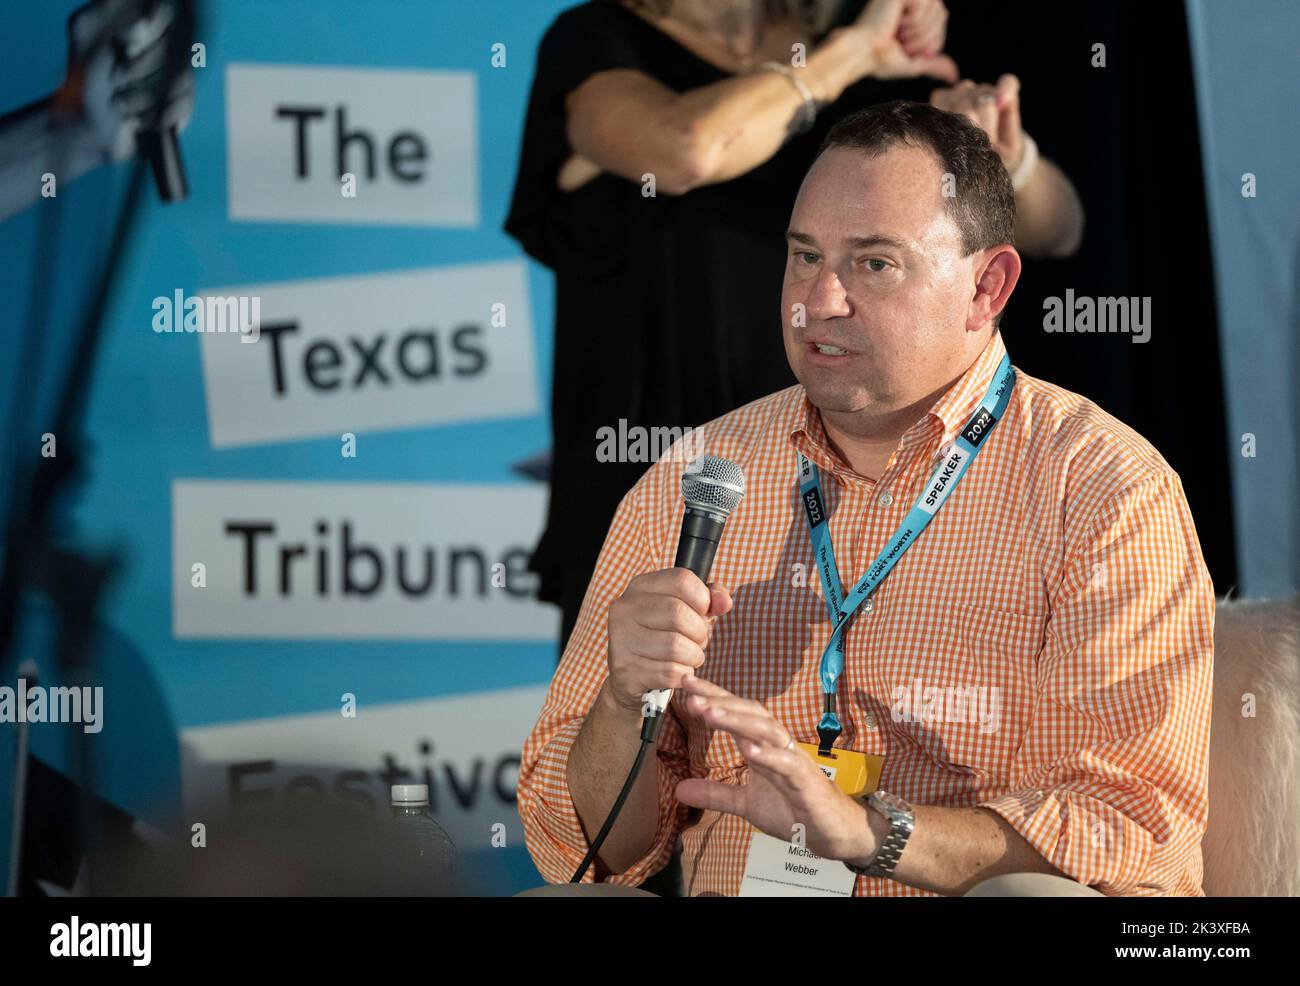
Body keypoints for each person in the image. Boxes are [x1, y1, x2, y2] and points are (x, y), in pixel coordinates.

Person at [516, 101, 1212, 897]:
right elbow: (590, 847)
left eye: (874, 264)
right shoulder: (693, 479)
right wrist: (621, 699)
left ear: (988, 286)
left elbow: (1130, 832)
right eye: (804, 257)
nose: (820, 301)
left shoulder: (1105, 492)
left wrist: (869, 832)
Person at [505, 0, 1085, 654]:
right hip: (659, 474)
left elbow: (1055, 229)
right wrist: (855, 52)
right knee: (639, 728)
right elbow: (688, 147)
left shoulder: (875, 62)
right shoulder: (599, 42)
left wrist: (1008, 156)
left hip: (849, 477)